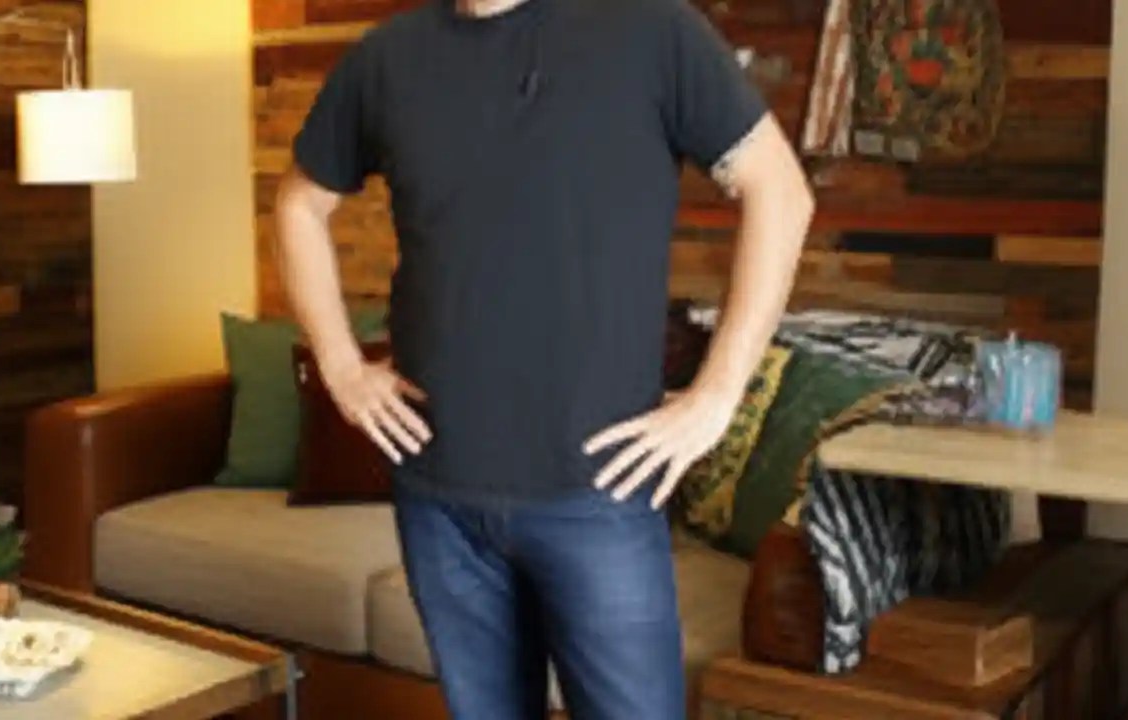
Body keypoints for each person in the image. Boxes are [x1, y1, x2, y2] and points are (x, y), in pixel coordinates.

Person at [274, 0, 813, 717]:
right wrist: (340, 367)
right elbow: (298, 206)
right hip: (441, 499)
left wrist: (716, 395)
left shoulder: (652, 29)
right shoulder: (387, 57)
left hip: (600, 493)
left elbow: (779, 190)